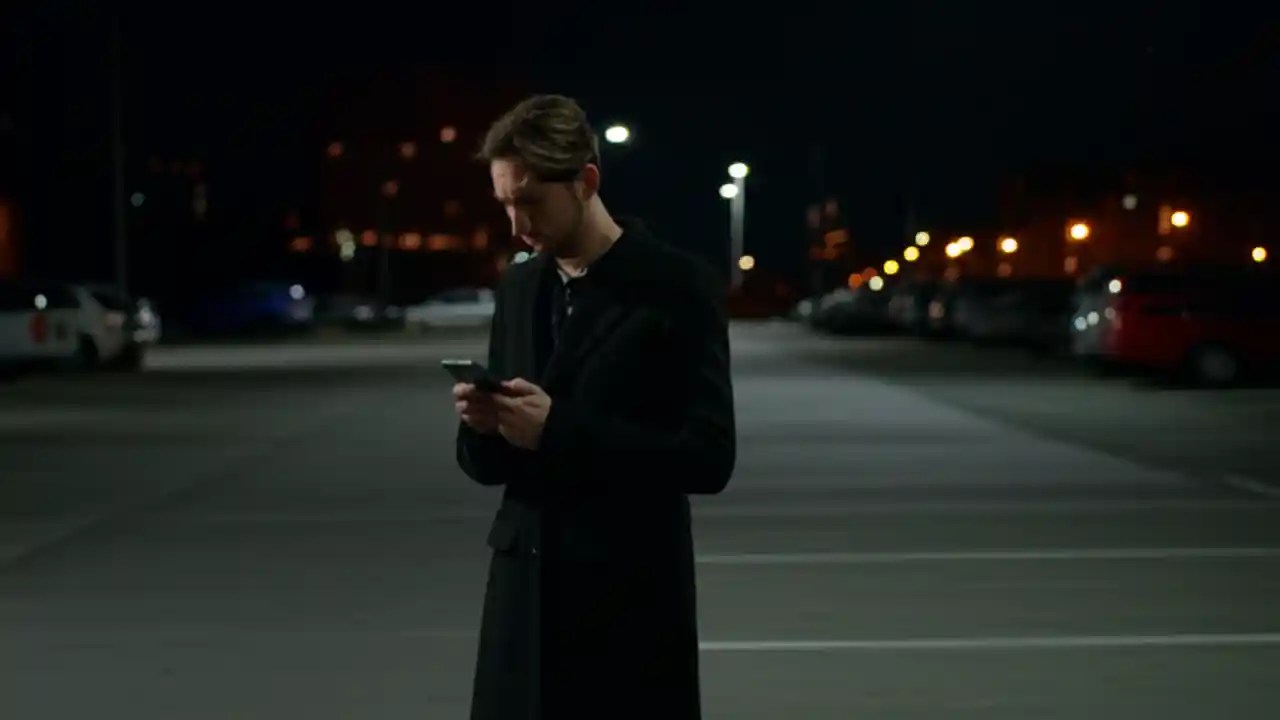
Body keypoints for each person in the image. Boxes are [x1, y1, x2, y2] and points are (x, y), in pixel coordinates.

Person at [452, 94, 737, 720]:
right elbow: (492, 464)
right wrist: (481, 427)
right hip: (522, 597)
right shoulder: (521, 286)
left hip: (626, 600)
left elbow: (709, 458)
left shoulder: (676, 286)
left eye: (529, 201)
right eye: (504, 204)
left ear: (585, 182)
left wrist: (559, 431)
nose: (515, 224)